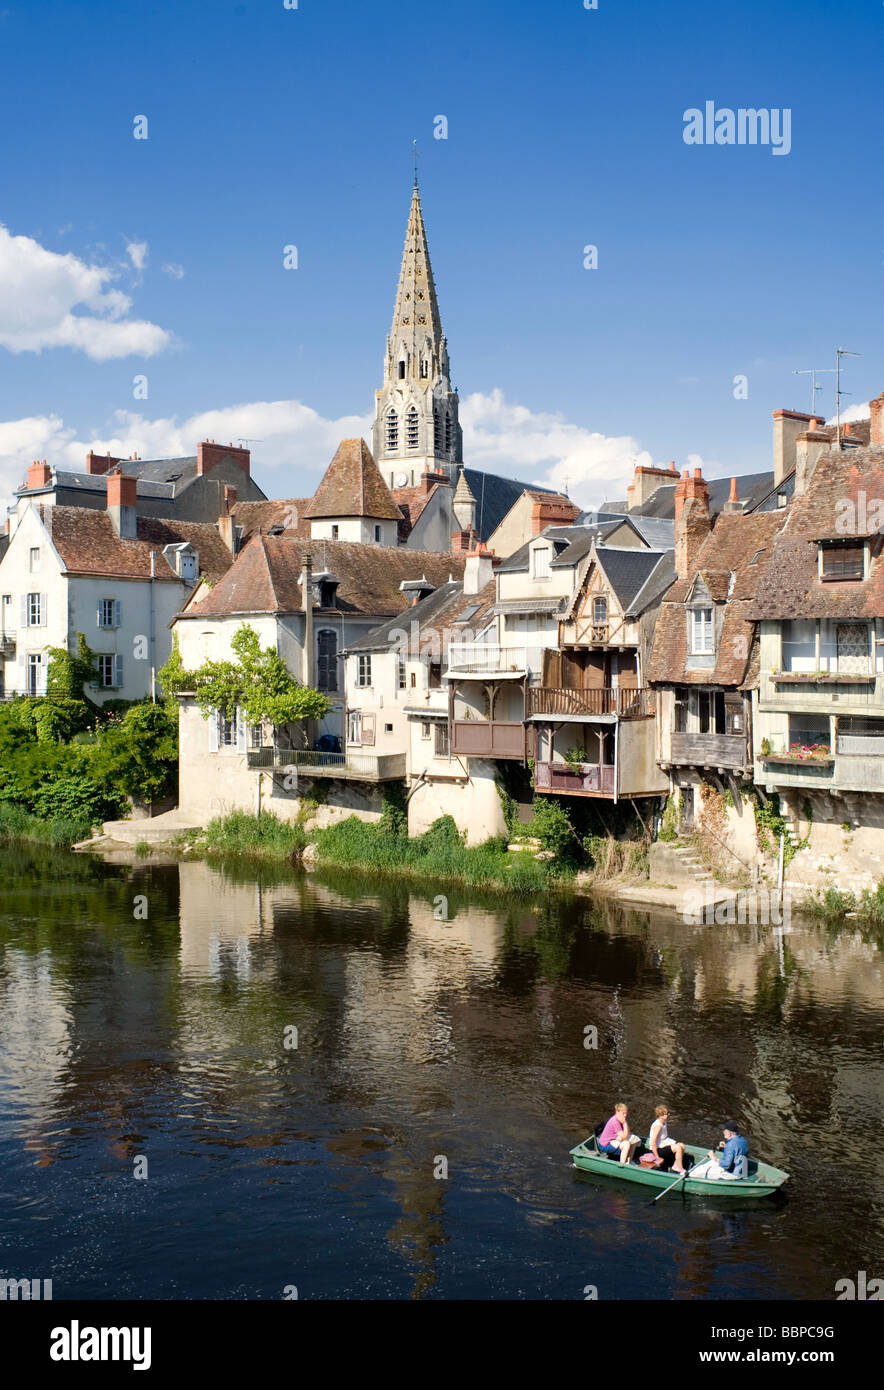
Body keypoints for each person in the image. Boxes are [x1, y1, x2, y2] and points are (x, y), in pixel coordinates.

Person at [648, 1105, 686, 1175]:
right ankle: (681, 1169)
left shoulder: (664, 1122)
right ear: (661, 1115)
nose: (669, 1114)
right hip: (657, 1149)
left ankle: (676, 1166)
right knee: (677, 1148)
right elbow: (653, 1143)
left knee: (682, 1145)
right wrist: (657, 1158)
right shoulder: (658, 1126)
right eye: (667, 1113)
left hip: (663, 1144)